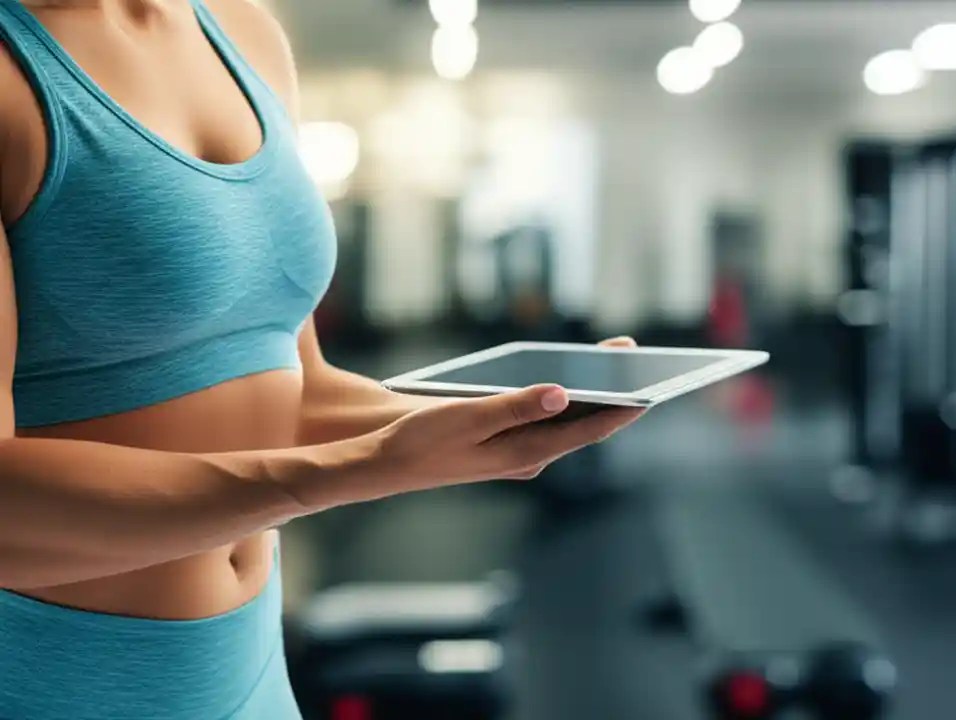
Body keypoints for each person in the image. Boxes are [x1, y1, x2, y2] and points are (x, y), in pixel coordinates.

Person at [0, 1, 644, 717]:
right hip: (52, 677)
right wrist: (368, 468)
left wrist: (507, 412)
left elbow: (298, 389)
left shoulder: (243, 31)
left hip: (249, 666)